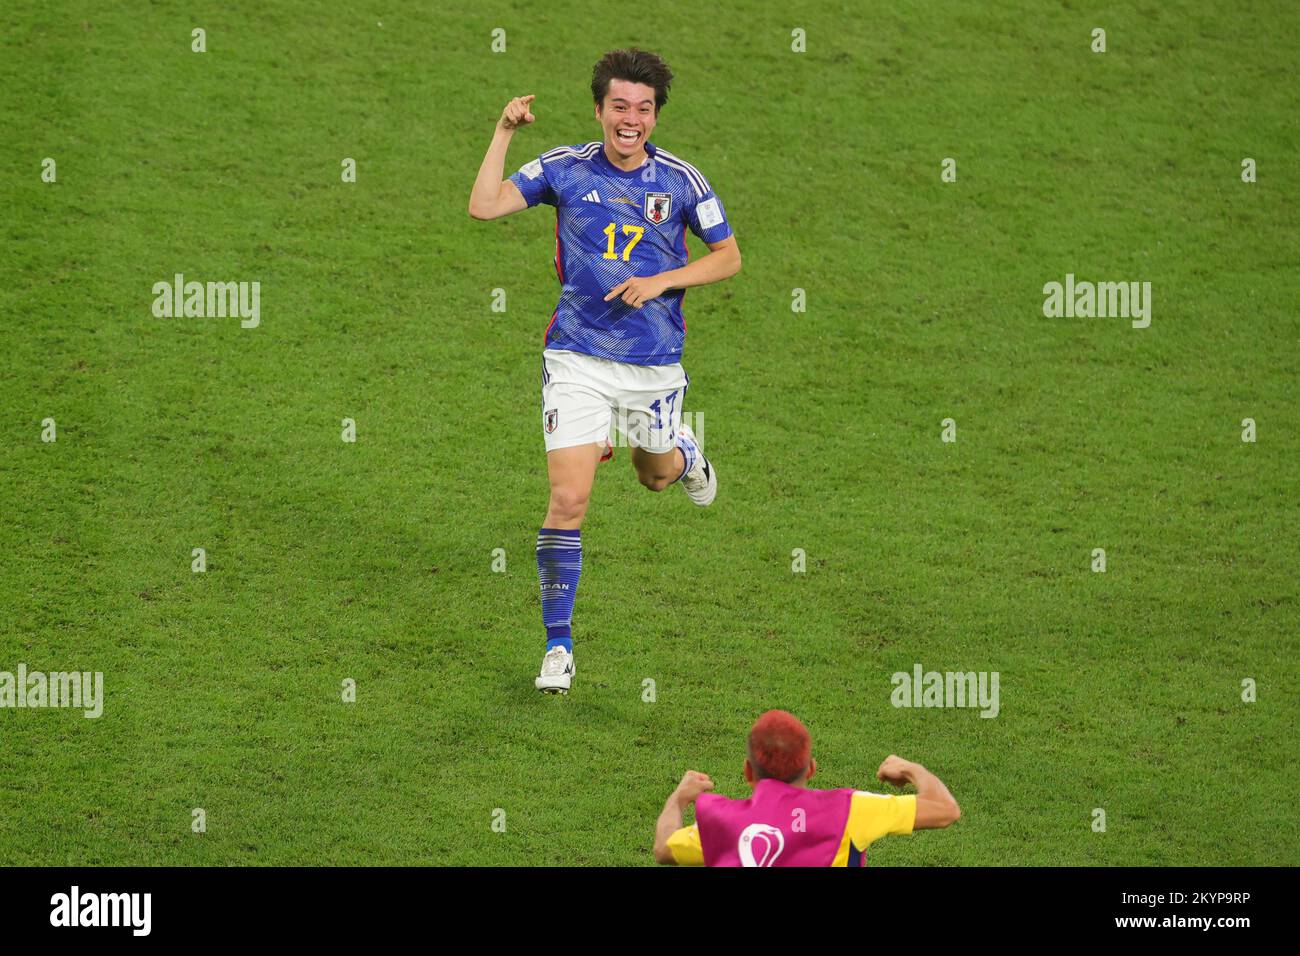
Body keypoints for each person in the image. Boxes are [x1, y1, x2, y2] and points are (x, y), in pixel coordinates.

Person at [468, 48, 742, 694]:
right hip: (576, 357)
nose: (630, 119)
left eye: (643, 109)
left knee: (654, 478)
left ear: (655, 117)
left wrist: (663, 281)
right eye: (619, 106)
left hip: (652, 364)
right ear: (598, 110)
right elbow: (484, 206)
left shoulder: (682, 181)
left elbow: (728, 257)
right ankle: (558, 646)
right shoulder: (564, 168)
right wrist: (503, 131)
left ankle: (682, 451)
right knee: (568, 499)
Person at [653, 710, 961, 866]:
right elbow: (945, 809)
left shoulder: (723, 823)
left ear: (748, 771)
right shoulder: (851, 809)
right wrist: (909, 768)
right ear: (811, 768)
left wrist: (679, 799)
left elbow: (664, 848)